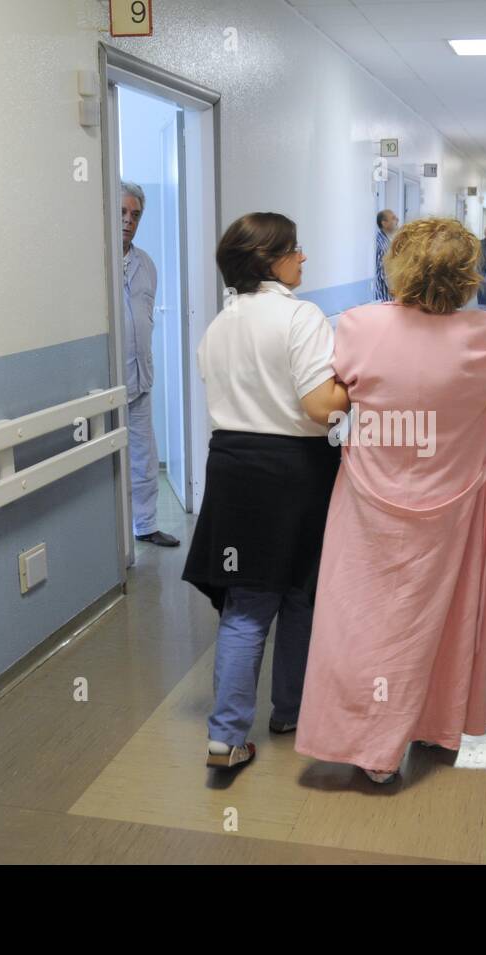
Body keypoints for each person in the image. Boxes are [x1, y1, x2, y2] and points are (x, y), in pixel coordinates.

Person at [295, 217, 486, 784]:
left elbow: (328, 402)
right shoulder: (485, 336)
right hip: (451, 508)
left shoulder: (359, 326)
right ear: (465, 276)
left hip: (368, 505)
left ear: (399, 267)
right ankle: (434, 722)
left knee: (362, 621)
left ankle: (367, 741)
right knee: (442, 616)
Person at [182, 213, 350, 770]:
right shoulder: (300, 317)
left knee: (246, 600)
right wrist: (353, 388)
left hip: (232, 469)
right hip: (294, 471)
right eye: (294, 250)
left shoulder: (219, 323)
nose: (303, 258)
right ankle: (289, 711)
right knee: (300, 592)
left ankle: (229, 735)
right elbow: (320, 407)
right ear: (268, 260)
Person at [120, 182, 179, 547]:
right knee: (110, 464)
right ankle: (114, 537)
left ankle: (146, 525)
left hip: (141, 376)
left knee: (145, 458)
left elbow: (145, 317)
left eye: (136, 215)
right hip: (109, 383)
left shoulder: (146, 264)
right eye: (123, 213)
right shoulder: (95, 261)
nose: (129, 221)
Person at [373, 209, 398, 301]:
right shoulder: (380, 243)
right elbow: (384, 270)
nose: (397, 220)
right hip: (384, 295)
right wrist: (394, 288)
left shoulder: (387, 240)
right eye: (393, 218)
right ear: (384, 223)